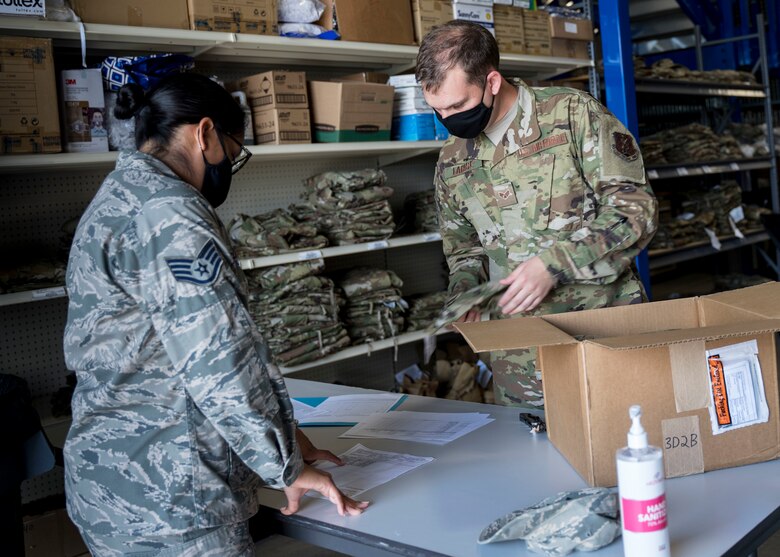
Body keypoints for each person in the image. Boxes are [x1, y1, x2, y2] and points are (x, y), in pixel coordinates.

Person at [63, 73, 368, 557]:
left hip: (112, 485)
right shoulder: (174, 216)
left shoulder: (116, 197)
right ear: (204, 133)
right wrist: (286, 467)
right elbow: (220, 360)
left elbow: (153, 353)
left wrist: (292, 440)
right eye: (233, 149)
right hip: (176, 500)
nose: (230, 164)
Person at [417, 21, 658, 408]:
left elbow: (635, 211)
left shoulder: (571, 115)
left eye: (457, 106)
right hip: (519, 359)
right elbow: (464, 250)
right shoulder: (452, 159)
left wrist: (553, 265)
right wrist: (465, 294)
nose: (447, 119)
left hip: (602, 333)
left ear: (492, 81)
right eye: (437, 109)